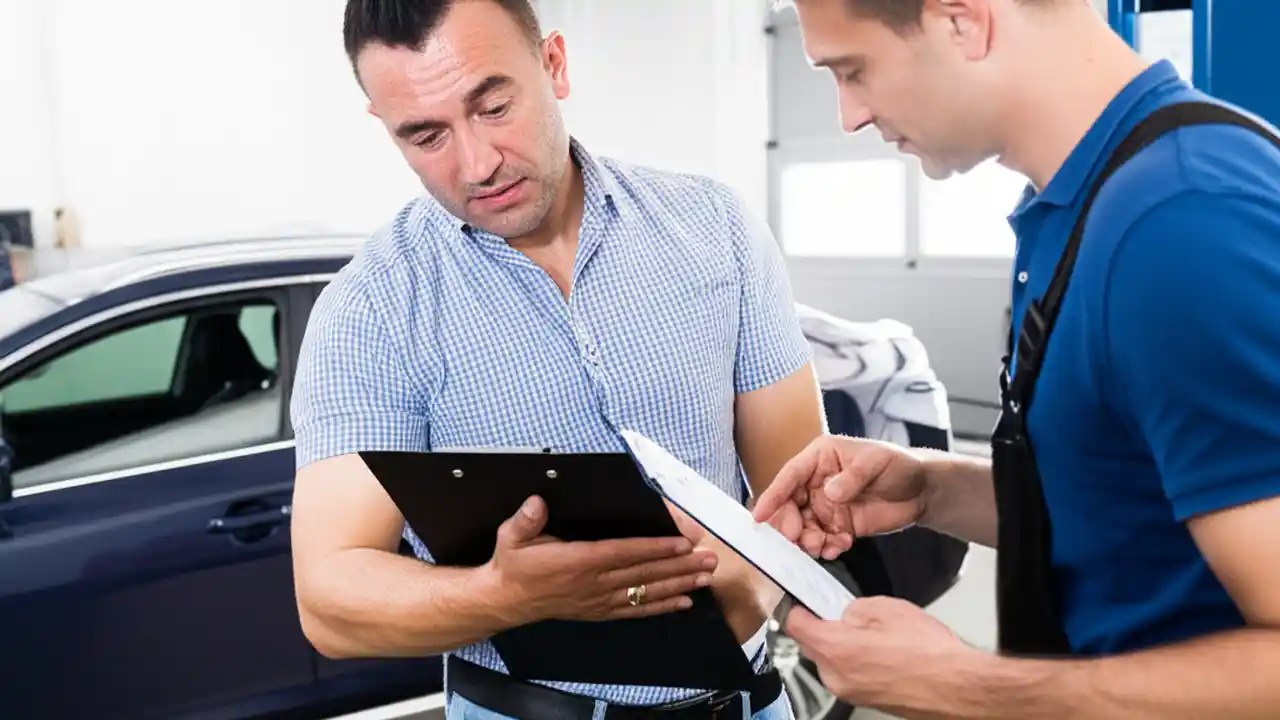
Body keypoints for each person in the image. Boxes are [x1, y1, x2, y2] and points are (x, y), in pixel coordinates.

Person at [289, 0, 824, 717]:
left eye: (493, 106)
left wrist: (754, 586)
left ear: (555, 65)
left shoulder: (714, 229)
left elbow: (800, 485)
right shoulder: (371, 308)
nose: (476, 164)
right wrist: (503, 595)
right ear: (386, 129)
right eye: (425, 135)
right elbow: (330, 601)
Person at [753, 0, 1280, 717]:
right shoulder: (1083, 206)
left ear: (962, 20)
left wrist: (964, 684)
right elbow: (1132, 510)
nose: (848, 115)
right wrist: (930, 490)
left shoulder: (1181, 222)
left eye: (854, 70)